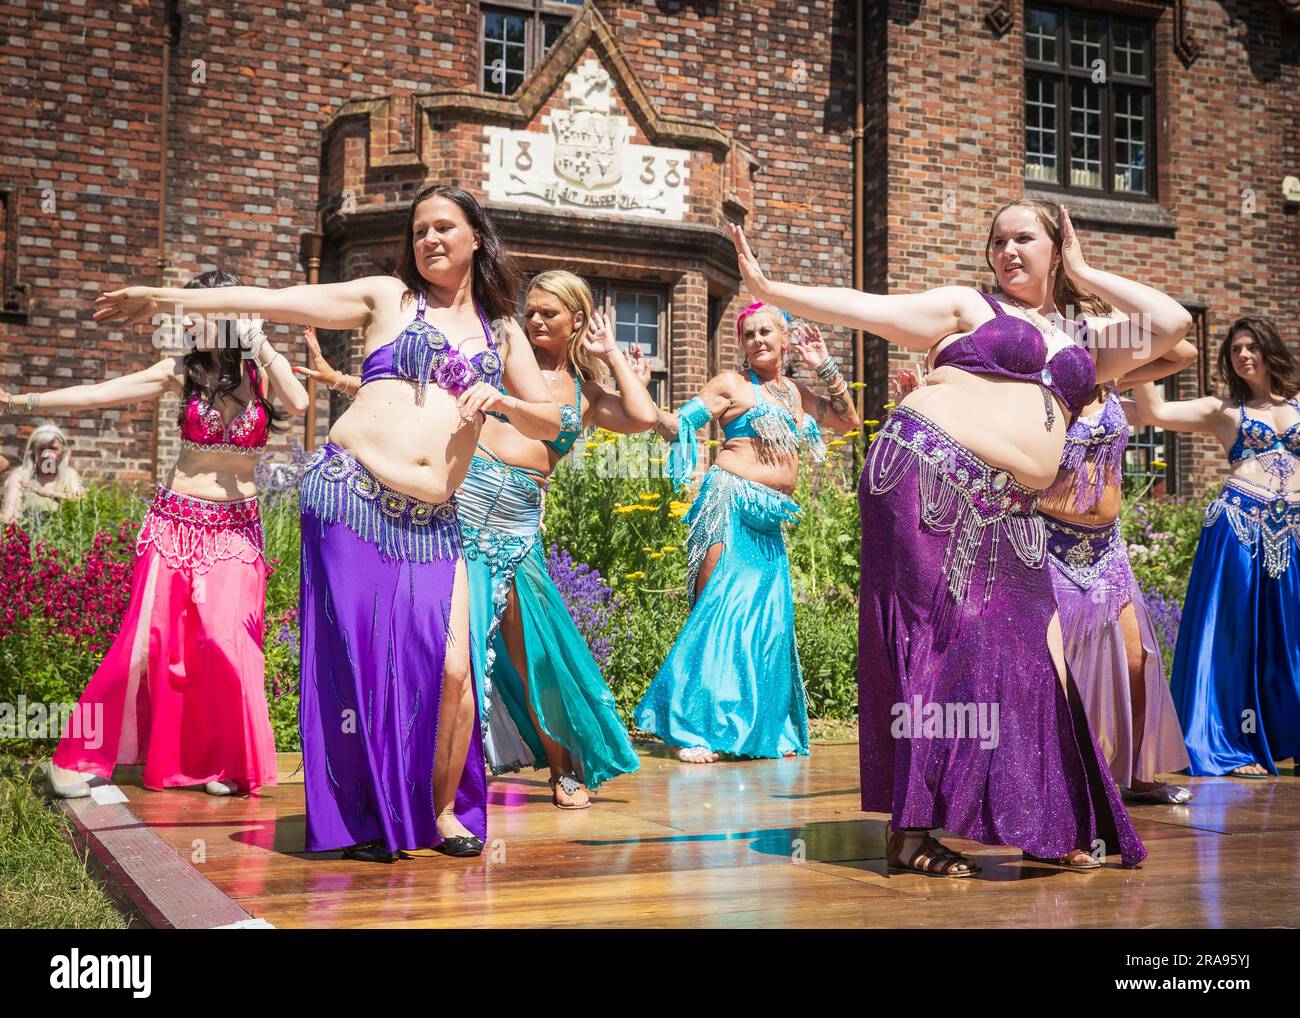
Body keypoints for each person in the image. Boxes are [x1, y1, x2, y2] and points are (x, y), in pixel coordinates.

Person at [92, 185, 563, 863]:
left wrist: (508, 399)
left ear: (477, 239)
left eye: (444, 227)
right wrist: (161, 298)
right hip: (353, 497)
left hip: (435, 514)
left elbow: (552, 420)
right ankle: (363, 818)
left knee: (454, 670)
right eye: (419, 229)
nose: (429, 239)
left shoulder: (504, 329)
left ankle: (437, 812)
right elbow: (268, 298)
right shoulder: (387, 298)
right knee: (364, 667)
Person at [731, 197, 1192, 874]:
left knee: (1036, 651)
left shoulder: (1086, 344)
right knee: (934, 645)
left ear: (1055, 245)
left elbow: (1174, 324)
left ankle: (1054, 820)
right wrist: (771, 290)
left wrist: (1087, 271)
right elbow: (865, 305)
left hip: (1008, 507)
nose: (1007, 251)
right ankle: (911, 832)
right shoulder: (969, 308)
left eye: (1024, 239)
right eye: (998, 240)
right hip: (926, 474)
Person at [297, 269, 653, 809]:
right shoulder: (502, 362)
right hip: (467, 508)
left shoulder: (586, 393)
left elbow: (645, 416)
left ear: (576, 322)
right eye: (529, 310)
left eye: (548, 313)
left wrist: (613, 355)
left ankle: (564, 768)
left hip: (519, 525)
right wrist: (343, 381)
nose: (534, 320)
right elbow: (422, 390)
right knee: (455, 648)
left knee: (536, 653)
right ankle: (439, 781)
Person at [4, 269, 309, 798]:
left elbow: (301, 403)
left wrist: (258, 342)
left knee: (225, 643)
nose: (186, 320)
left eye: (198, 311)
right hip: (174, 524)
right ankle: (78, 761)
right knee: (146, 646)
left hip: (236, 531)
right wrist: (18, 402)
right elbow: (102, 393)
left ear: (229, 314)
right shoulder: (181, 373)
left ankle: (217, 763)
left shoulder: (260, 372)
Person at [635, 301, 860, 763]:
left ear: (784, 339)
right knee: (719, 612)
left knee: (767, 623)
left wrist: (826, 366)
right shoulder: (731, 385)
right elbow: (680, 425)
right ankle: (692, 728)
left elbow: (848, 419)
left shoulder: (796, 394)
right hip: (729, 506)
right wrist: (642, 397)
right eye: (749, 334)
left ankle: (751, 728)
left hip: (770, 518)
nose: (757, 340)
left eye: (766, 332)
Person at [1131, 317, 1300, 779]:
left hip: (1294, 532)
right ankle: (1232, 744)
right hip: (1239, 526)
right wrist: (1145, 354)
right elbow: (1154, 415)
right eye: (1235, 350)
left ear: (1270, 351)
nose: (1243, 356)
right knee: (1234, 636)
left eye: (1251, 347)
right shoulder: (1221, 409)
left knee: (1292, 637)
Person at [1, 422, 85, 526]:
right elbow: (9, 516)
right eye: (42, 449)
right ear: (33, 451)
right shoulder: (20, 475)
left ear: (63, 451)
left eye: (53, 449)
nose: (47, 455)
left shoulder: (69, 475)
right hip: (28, 538)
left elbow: (81, 504)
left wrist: (49, 493)